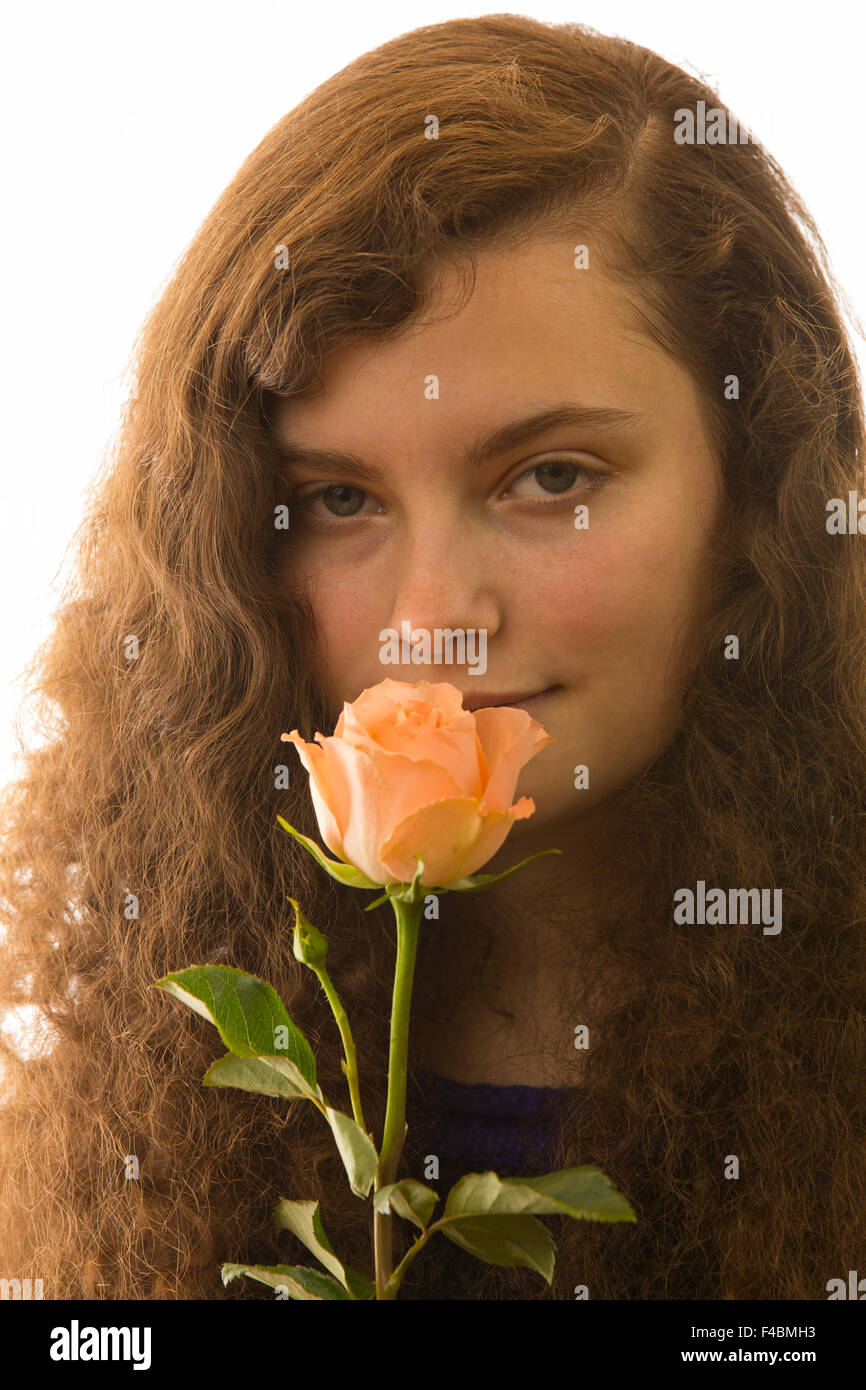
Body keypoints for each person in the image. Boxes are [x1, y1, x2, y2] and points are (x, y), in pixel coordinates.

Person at [1, 14, 863, 1301]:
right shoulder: (144, 1068)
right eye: (338, 500)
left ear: (761, 488)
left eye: (548, 476)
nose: (431, 621)